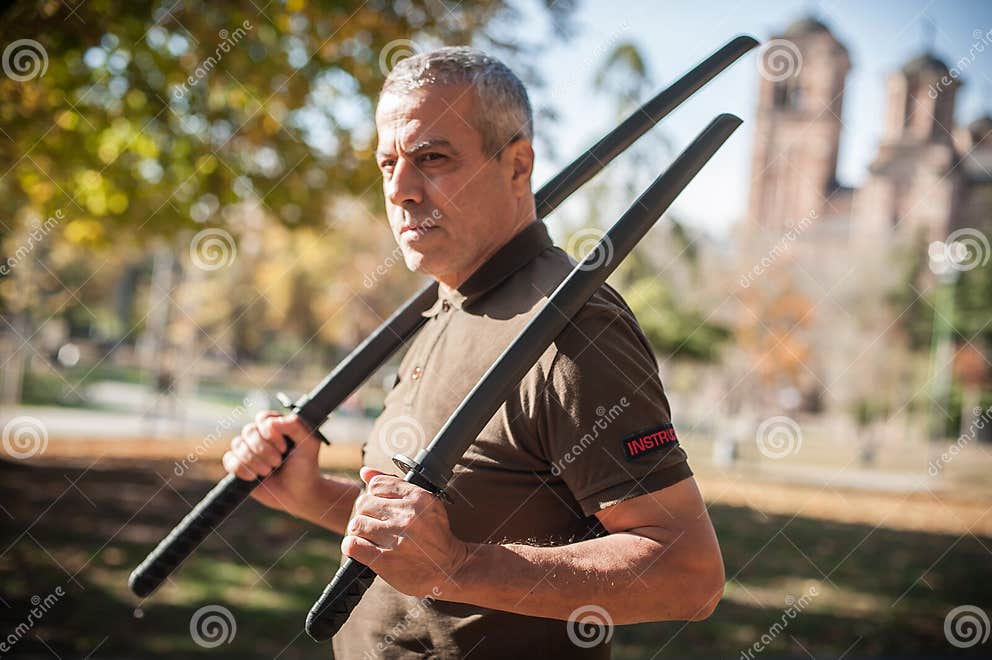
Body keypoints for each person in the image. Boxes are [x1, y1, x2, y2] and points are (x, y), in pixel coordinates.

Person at [223, 46, 725, 659]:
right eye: (387, 164)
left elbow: (688, 574)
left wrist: (459, 570)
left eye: (432, 158)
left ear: (518, 166)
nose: (401, 190)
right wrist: (311, 494)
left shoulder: (574, 327)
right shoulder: (444, 306)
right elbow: (430, 529)